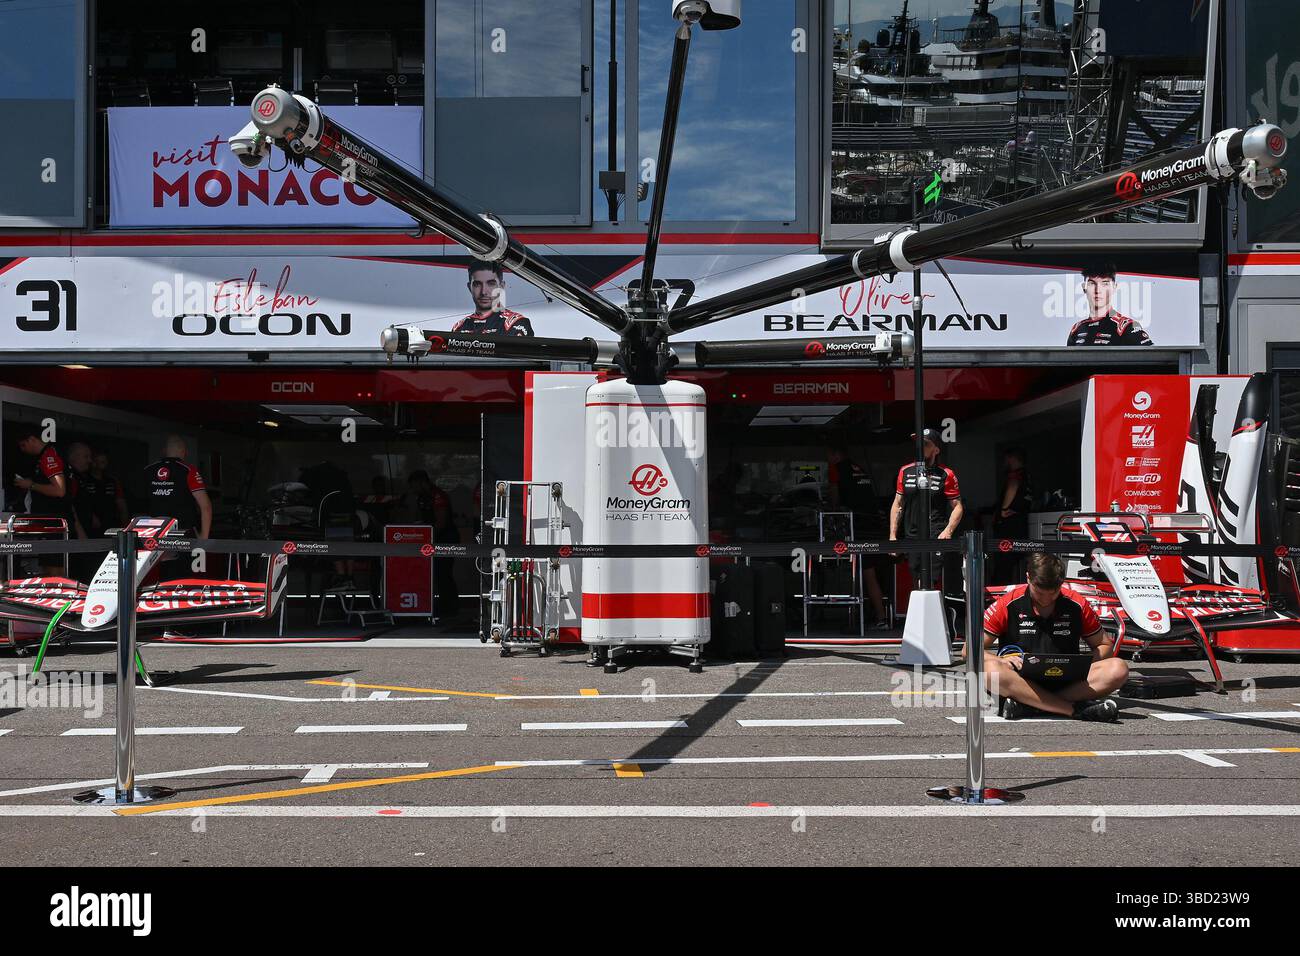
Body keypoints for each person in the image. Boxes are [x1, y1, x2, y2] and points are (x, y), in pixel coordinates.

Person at [976, 552, 1127, 722]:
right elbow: (970, 650)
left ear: (1062, 584)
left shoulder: (1077, 604)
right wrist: (1001, 661)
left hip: (1067, 680)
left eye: (1053, 593)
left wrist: (1082, 664)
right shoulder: (1007, 603)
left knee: (1118, 668)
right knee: (987, 671)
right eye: (1039, 593)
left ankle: (1031, 705)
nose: (1046, 599)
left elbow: (1104, 645)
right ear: (1028, 578)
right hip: (1021, 679)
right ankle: (1071, 709)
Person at [889, 427, 963, 590]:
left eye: (925, 444)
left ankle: (932, 612)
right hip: (912, 533)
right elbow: (898, 504)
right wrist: (893, 535)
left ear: (936, 449)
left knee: (929, 580)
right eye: (918, 443)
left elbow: (957, 507)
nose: (920, 447)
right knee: (916, 577)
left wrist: (948, 531)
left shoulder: (946, 474)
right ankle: (922, 613)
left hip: (936, 533)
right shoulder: (905, 471)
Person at [826, 444, 888, 627]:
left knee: (868, 574)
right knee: (873, 572)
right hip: (875, 526)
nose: (827, 458)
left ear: (836, 455)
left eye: (828, 454)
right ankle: (877, 614)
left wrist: (830, 509)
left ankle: (881, 618)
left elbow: (834, 500)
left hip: (859, 528)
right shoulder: (858, 468)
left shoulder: (836, 469)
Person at [13, 425, 71, 576]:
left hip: (56, 524)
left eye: (23, 445)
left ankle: (58, 598)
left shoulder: (49, 455)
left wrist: (31, 485)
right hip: (50, 524)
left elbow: (59, 490)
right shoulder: (42, 457)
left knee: (54, 572)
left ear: (32, 439)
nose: (22, 449)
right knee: (47, 569)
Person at [1066, 263, 1154, 346]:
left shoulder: (1127, 326)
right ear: (1084, 288)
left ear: (1114, 287)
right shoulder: (1076, 329)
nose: (1098, 290)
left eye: (1105, 284)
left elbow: (1153, 358)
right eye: (1092, 283)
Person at [142, 435, 211, 539]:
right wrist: (204, 538)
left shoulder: (148, 470)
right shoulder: (188, 471)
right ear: (184, 451)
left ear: (164, 451)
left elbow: (140, 503)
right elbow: (206, 507)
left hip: (154, 532)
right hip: (183, 532)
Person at [451, 259, 535, 336]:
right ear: (470, 288)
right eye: (477, 284)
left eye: (491, 284)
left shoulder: (516, 323)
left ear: (501, 287)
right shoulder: (459, 327)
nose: (483, 292)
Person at [990, 447, 1032, 584]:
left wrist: (1003, 509)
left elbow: (1012, 486)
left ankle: (999, 596)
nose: (1004, 462)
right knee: (1014, 563)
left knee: (1004, 564)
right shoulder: (1027, 475)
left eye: (1006, 459)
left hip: (1010, 526)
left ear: (1012, 458)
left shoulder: (1016, 475)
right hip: (1020, 525)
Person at [85, 450, 129, 534]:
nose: (103, 464)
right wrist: (91, 516)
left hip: (111, 523)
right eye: (100, 461)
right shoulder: (84, 481)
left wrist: (125, 524)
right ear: (93, 462)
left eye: (104, 461)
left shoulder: (113, 481)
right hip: (91, 524)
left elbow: (121, 503)